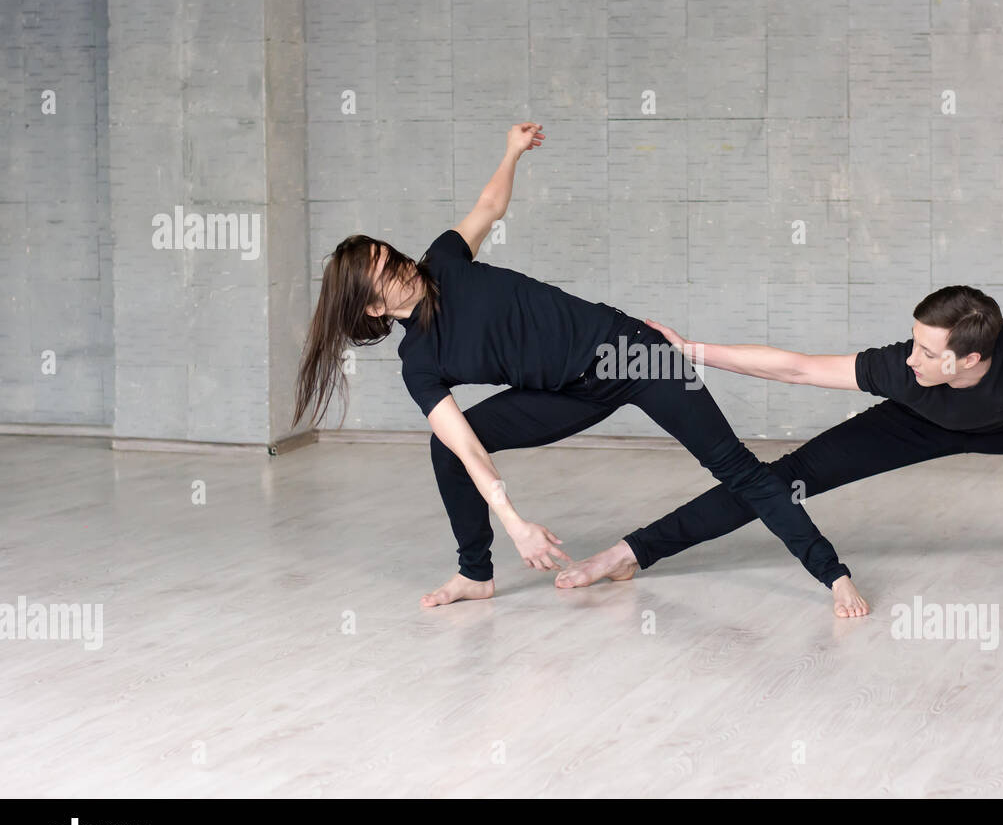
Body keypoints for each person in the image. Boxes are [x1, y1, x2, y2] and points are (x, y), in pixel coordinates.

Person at [292, 122, 868, 616]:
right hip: (568, 392)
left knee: (736, 467)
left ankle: (831, 571)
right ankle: (475, 572)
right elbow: (468, 447)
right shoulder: (419, 363)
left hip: (634, 355)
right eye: (385, 273)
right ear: (371, 307)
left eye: (393, 256)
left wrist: (512, 151)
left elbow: (488, 207)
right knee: (447, 447)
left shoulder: (443, 261)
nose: (401, 268)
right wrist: (515, 523)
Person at [557, 285, 1003, 611]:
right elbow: (799, 369)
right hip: (921, 422)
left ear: (969, 358)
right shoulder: (903, 371)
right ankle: (632, 552)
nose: (909, 356)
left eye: (925, 350)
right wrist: (693, 351)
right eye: (912, 340)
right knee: (779, 479)